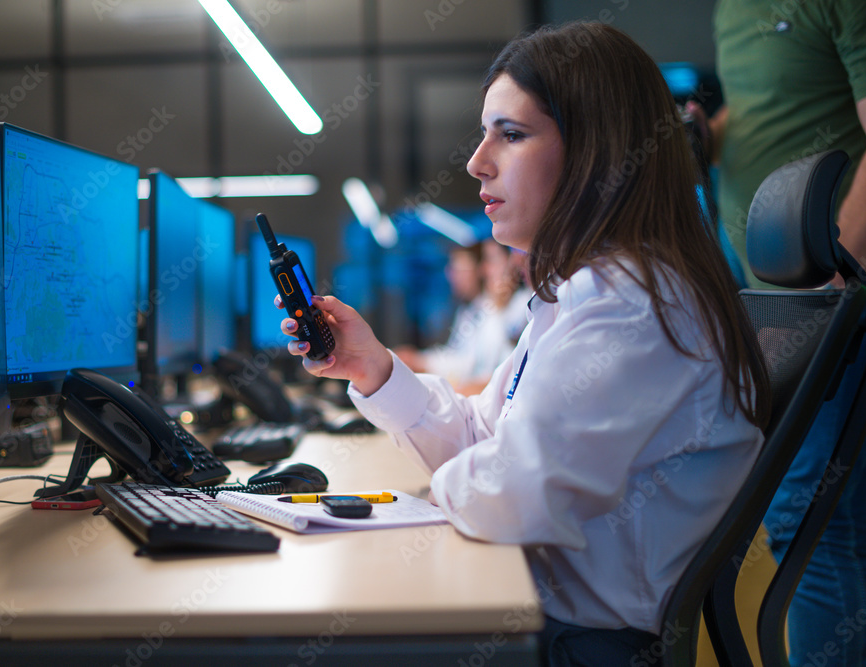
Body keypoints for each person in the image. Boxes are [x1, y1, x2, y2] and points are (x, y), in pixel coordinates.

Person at [278, 22, 770, 664]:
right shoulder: (584, 292)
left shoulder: (631, 302)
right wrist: (374, 370)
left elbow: (517, 494)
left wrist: (420, 499)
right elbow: (489, 442)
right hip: (556, 623)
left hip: (581, 645)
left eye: (510, 135)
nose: (476, 161)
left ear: (597, 150)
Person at [688, 3, 866, 664]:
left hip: (826, 301)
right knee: (836, 525)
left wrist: (831, 285)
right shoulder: (732, 10)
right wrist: (710, 135)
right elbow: (774, 104)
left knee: (809, 525)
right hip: (779, 300)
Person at [395, 240, 517, 395]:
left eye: (459, 268)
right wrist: (420, 359)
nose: (452, 275)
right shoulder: (471, 310)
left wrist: (421, 361)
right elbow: (458, 356)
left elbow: (475, 368)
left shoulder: (508, 311)